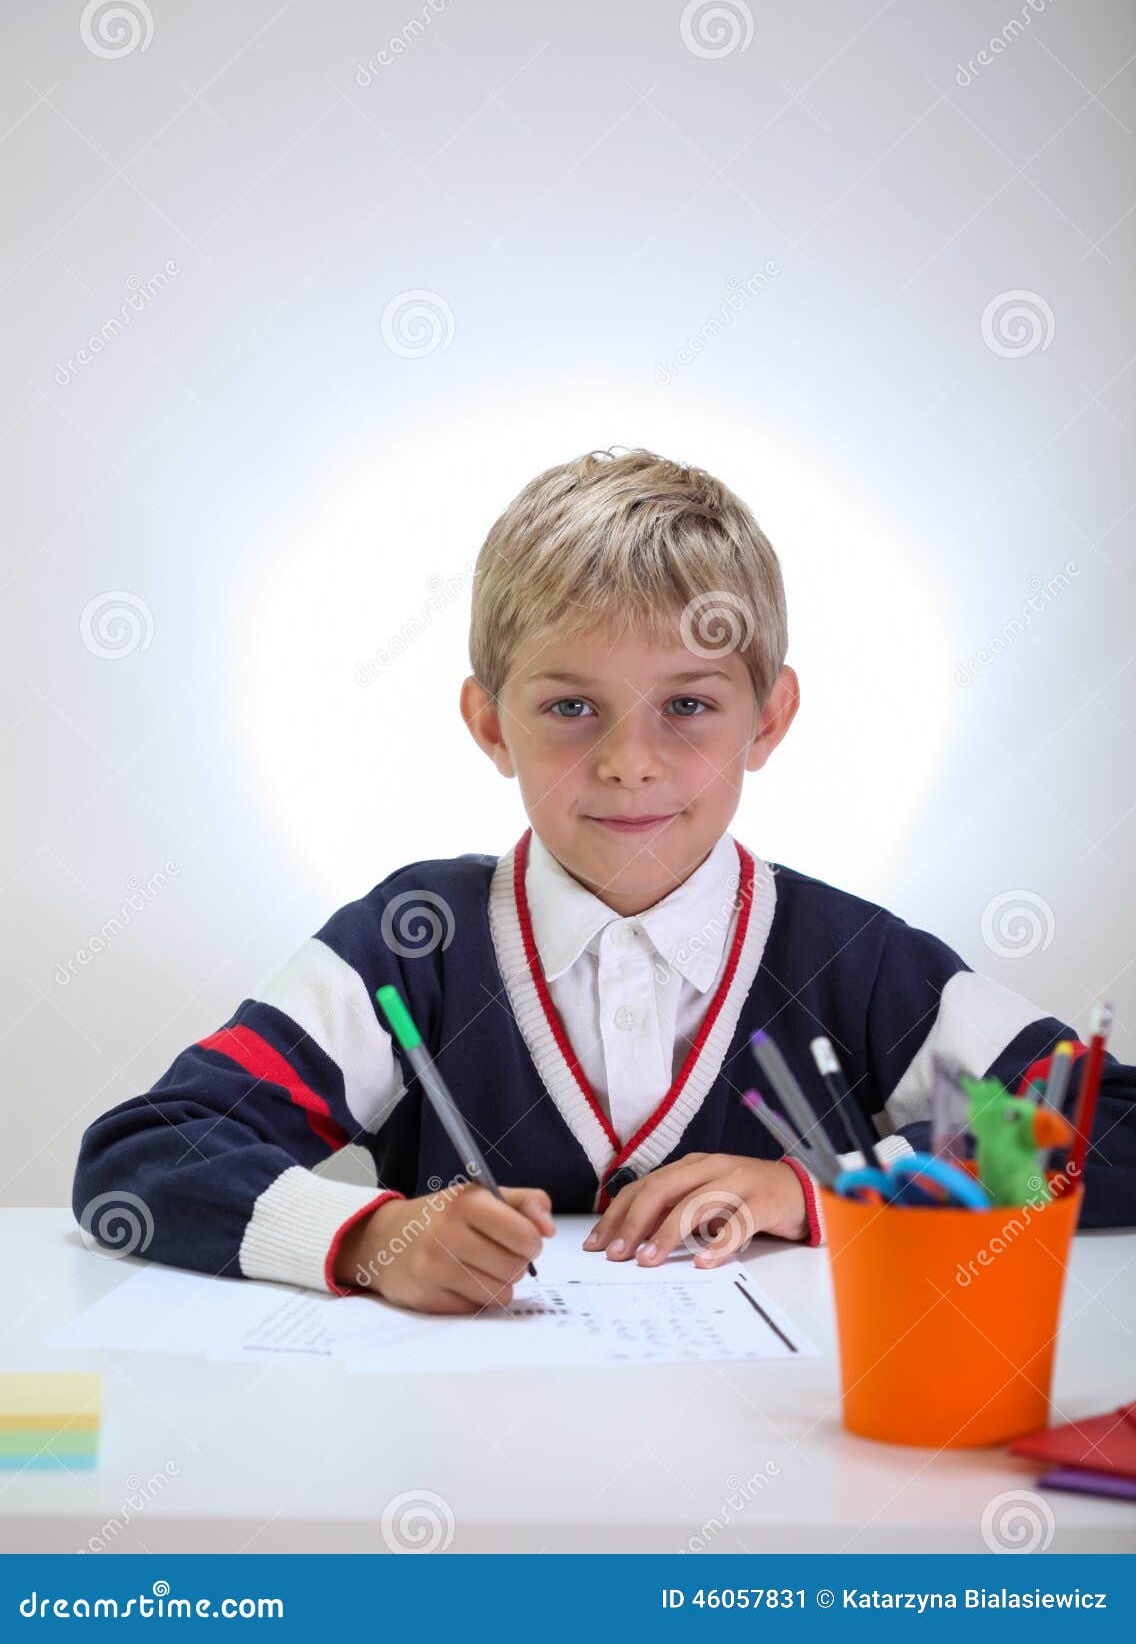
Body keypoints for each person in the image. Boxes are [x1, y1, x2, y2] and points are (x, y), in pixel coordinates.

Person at [71, 447, 1136, 1314]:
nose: (630, 762)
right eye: (571, 706)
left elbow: (1112, 1122)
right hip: (464, 1473)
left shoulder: (853, 962)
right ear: (490, 722)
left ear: (767, 718)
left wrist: (821, 1187)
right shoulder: (412, 939)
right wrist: (367, 1238)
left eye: (687, 705)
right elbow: (143, 1154)